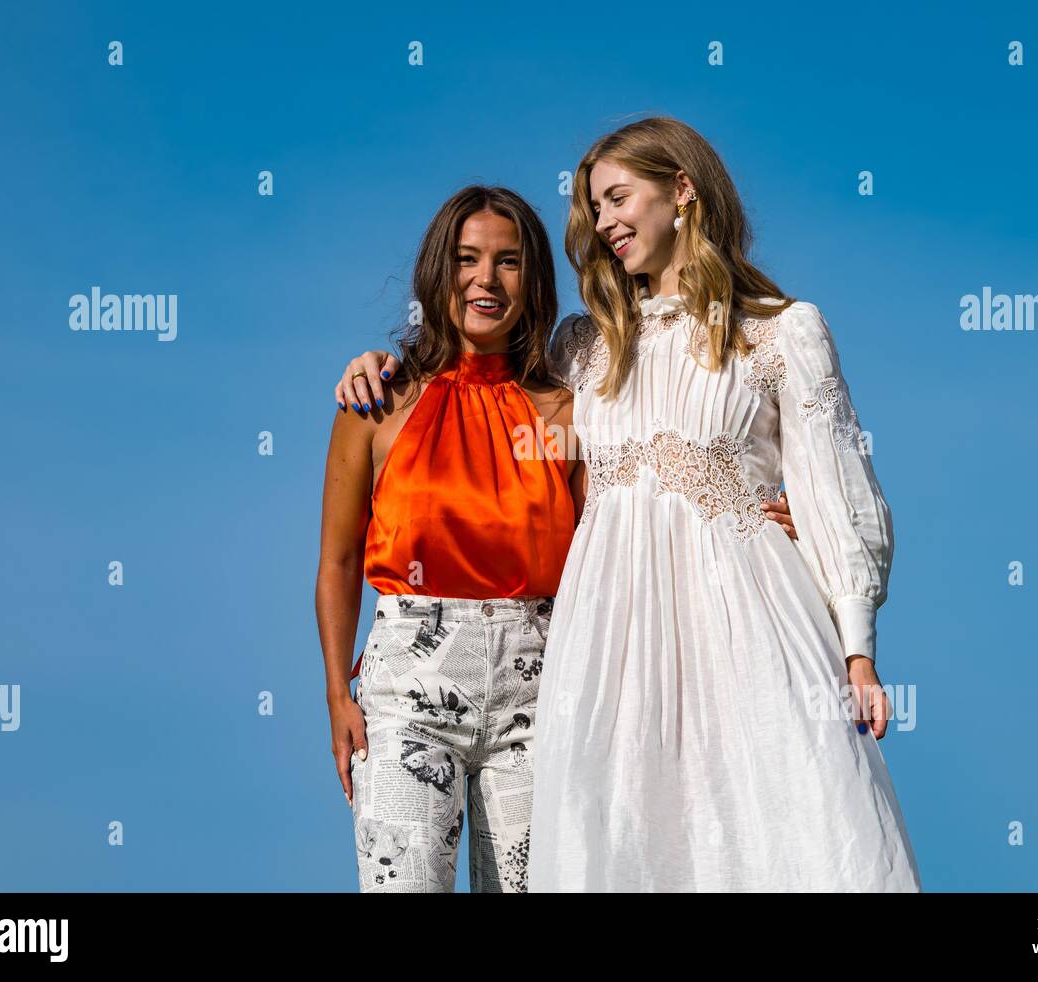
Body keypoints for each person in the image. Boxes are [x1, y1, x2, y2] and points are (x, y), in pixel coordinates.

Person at [335, 117, 922, 892]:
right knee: (615, 844)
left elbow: (838, 490)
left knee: (775, 825)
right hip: (605, 638)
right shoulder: (585, 348)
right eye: (594, 208)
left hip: (745, 623)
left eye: (618, 198)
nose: (605, 222)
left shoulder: (782, 333)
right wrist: (384, 362)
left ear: (682, 190)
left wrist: (856, 649)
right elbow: (480, 368)